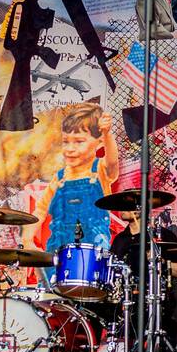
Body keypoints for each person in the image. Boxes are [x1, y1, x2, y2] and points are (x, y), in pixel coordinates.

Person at [33, 104, 119, 254]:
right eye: (66, 141)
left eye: (79, 141)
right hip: (59, 249)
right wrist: (27, 240)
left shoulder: (100, 170)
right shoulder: (60, 178)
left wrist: (107, 134)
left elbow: (112, 162)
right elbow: (40, 211)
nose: (70, 148)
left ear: (99, 143)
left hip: (93, 251)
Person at [108, 204, 177, 352]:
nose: (121, 207)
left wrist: (158, 260)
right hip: (125, 304)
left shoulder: (162, 236)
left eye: (126, 203)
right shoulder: (120, 240)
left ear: (139, 210)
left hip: (155, 304)